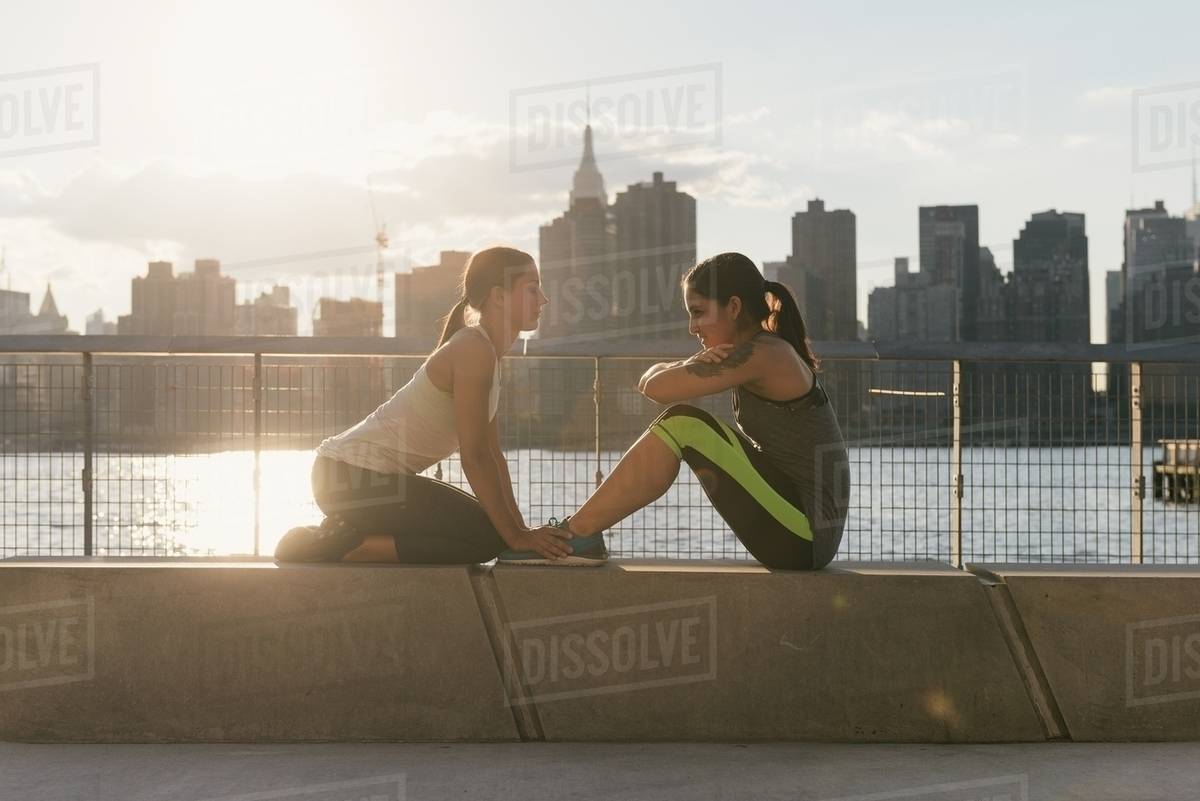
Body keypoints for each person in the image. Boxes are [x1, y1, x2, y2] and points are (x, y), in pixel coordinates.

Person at [499, 252, 850, 570]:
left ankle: (577, 535)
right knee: (684, 421)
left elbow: (657, 388)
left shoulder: (763, 354)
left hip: (803, 533)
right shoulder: (761, 350)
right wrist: (690, 361)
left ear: (733, 307)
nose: (692, 327)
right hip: (801, 531)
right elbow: (649, 382)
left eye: (698, 312)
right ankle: (580, 534)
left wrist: (686, 365)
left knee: (683, 423)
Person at [274, 246, 608, 565]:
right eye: (532, 289)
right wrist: (515, 537)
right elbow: (474, 456)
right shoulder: (473, 350)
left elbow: (492, 454)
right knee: (488, 537)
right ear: (499, 297)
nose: (544, 299)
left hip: (360, 480)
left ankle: (352, 534)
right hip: (348, 479)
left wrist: (520, 534)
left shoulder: (486, 354)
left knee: (495, 535)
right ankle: (345, 546)